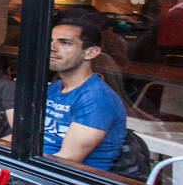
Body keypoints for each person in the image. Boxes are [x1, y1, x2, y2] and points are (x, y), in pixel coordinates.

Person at [43, 18, 127, 171]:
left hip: (66, 183)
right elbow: (20, 137)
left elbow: (68, 159)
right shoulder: (55, 88)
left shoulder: (96, 98)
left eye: (65, 43)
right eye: (50, 41)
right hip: (38, 171)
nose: (52, 48)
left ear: (91, 52)